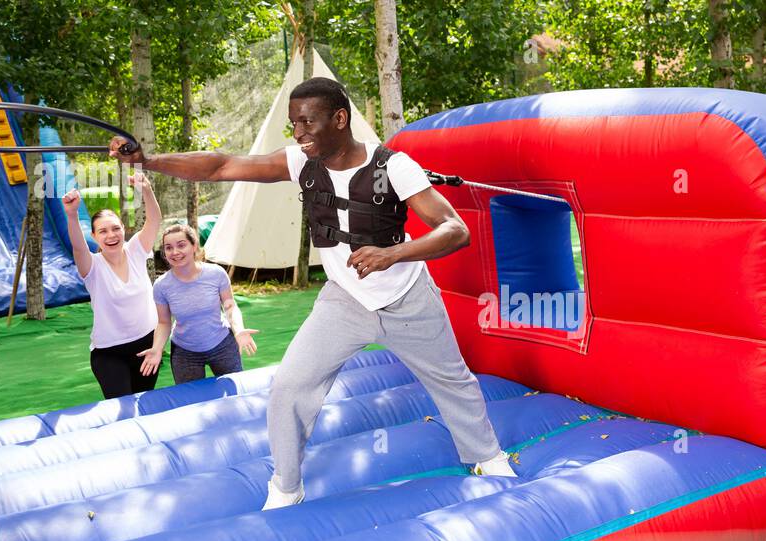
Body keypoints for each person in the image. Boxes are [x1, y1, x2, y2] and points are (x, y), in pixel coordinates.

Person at [108, 76, 516, 511]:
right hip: (343, 300)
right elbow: (220, 166)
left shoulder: (394, 166)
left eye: (307, 123)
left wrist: (393, 253)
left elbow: (455, 230)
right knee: (289, 386)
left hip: (406, 295)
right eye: (293, 124)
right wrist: (148, 160)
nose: (298, 133)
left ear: (340, 119)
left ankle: (487, 458)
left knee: (452, 380)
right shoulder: (300, 161)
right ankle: (286, 486)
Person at [62, 172, 162, 398]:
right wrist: (71, 214)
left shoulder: (136, 250)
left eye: (116, 228)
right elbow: (78, 248)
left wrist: (145, 189)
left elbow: (154, 221)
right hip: (109, 353)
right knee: (124, 408)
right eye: (103, 231)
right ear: (95, 237)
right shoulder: (92, 267)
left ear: (123, 229)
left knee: (144, 404)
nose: (111, 235)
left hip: (147, 346)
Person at [144, 224, 258, 384]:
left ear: (194, 246)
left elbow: (230, 306)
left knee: (235, 390)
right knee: (191, 401)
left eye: (181, 245)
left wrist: (238, 330)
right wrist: (157, 349)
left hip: (222, 344)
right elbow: (164, 322)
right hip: (185, 352)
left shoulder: (216, 273)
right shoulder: (162, 285)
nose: (175, 252)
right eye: (168, 248)